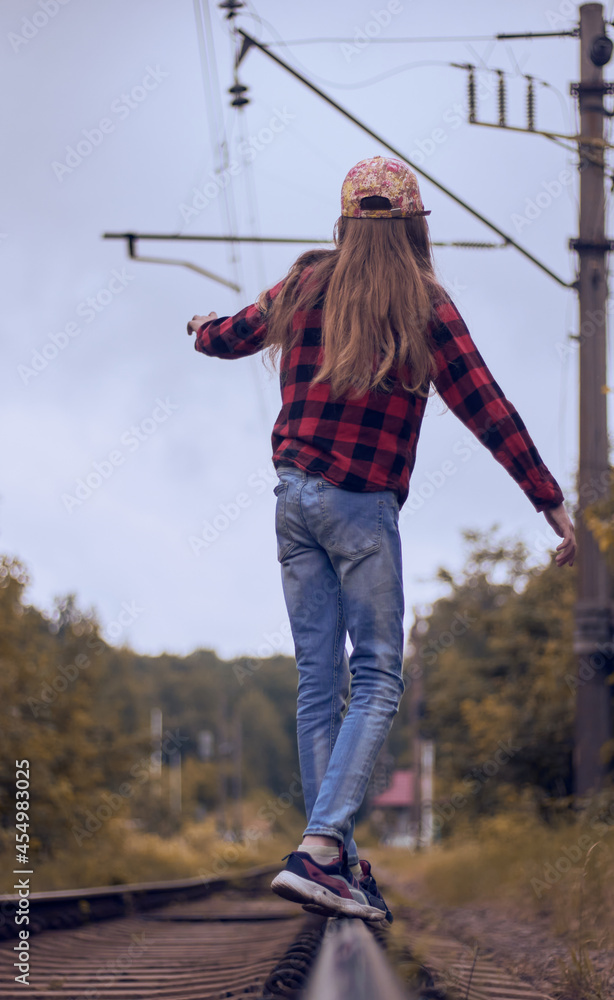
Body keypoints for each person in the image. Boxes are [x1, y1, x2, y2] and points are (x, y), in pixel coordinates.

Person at [187, 155, 577, 923]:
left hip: (292, 501)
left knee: (315, 685)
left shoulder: (304, 282)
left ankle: (337, 858)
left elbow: (230, 336)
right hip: (360, 510)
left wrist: (201, 331)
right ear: (415, 228)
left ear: (343, 226)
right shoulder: (425, 305)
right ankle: (323, 848)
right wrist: (550, 504)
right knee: (377, 680)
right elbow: (488, 407)